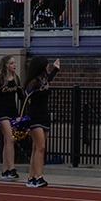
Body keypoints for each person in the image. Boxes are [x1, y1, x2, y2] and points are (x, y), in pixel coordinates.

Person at [21, 57, 61, 187]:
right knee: (41, 147)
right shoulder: (33, 83)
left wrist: (56, 70)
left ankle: (31, 177)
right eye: (46, 65)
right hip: (34, 117)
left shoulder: (43, 80)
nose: (48, 67)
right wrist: (21, 116)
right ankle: (39, 176)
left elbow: (48, 80)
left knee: (36, 148)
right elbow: (26, 97)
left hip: (44, 116)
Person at [0, 55, 24, 180]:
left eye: (15, 63)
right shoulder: (0, 80)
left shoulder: (16, 79)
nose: (14, 65)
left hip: (12, 113)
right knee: (10, 138)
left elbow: (22, 97)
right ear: (6, 65)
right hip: (1, 113)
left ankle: (4, 170)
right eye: (11, 63)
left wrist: (21, 114)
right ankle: (12, 168)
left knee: (7, 141)